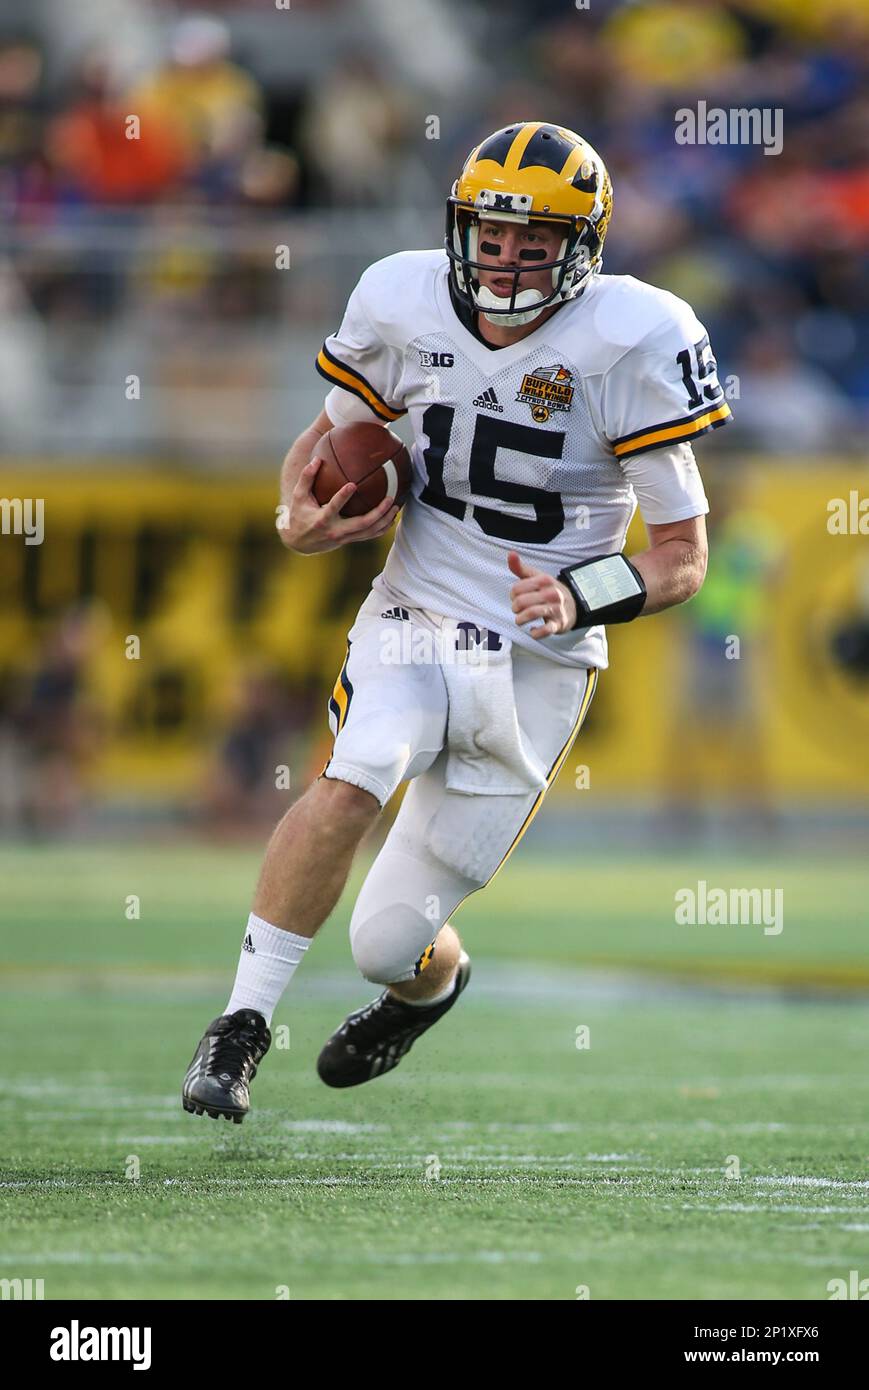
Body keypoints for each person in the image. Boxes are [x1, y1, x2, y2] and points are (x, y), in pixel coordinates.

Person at [183, 121, 730, 1122]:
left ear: (585, 244)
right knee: (355, 774)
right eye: (491, 231)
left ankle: (428, 988)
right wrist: (295, 514)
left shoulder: (635, 337)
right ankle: (239, 1026)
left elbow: (682, 556)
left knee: (387, 944)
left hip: (537, 655)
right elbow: (329, 441)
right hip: (417, 605)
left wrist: (577, 593)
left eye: (536, 239)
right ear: (457, 226)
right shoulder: (398, 295)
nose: (507, 256)